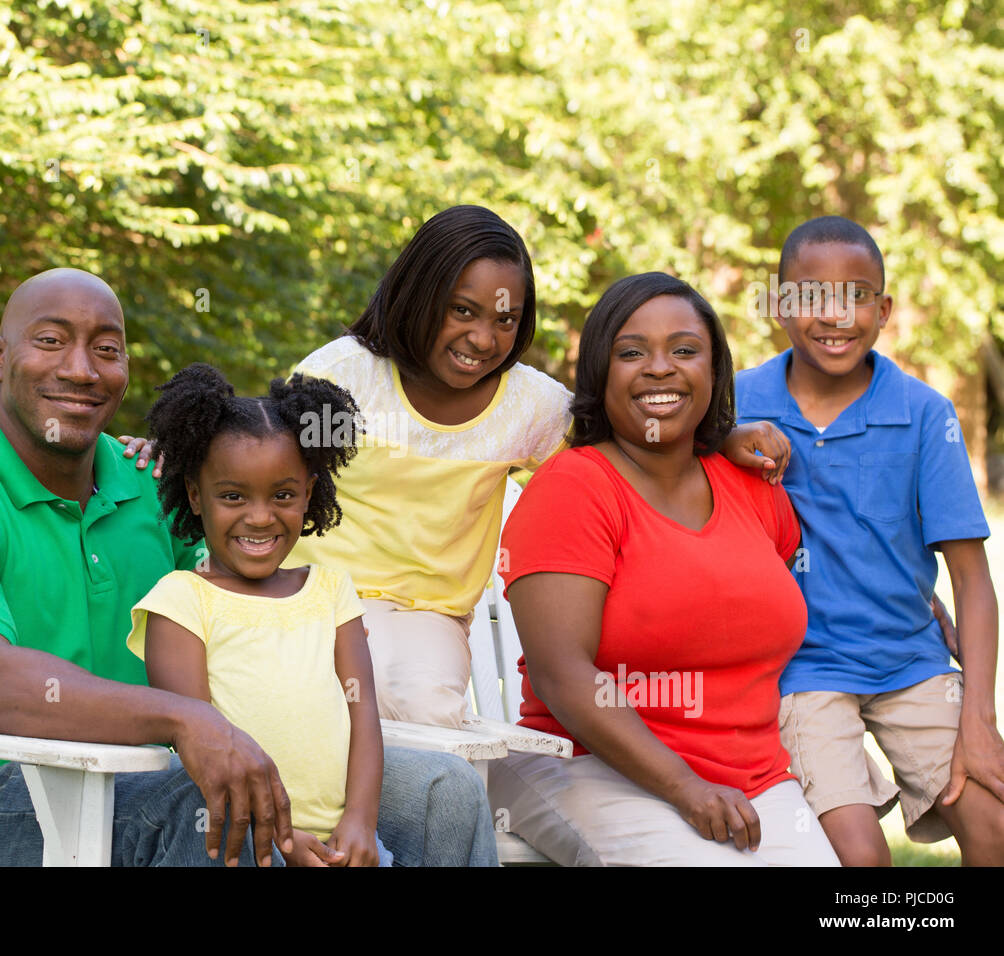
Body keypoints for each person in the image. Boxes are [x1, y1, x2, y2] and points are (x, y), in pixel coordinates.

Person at [0, 267, 498, 867]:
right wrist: (182, 719)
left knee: (446, 792)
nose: (81, 369)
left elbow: (244, 601)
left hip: (153, 770)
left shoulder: (150, 486)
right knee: (211, 809)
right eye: (51, 341)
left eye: (107, 349)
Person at [130, 206, 788, 730]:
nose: (482, 338)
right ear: (417, 297)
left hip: (427, 616)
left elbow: (629, 447)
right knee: (297, 706)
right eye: (461, 310)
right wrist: (175, 448)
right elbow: (260, 450)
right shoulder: (346, 375)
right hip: (309, 597)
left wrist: (717, 437)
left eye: (503, 319)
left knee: (424, 714)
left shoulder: (529, 407)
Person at [486, 271, 839, 866]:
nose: (659, 367)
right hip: (584, 763)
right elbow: (562, 674)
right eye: (632, 352)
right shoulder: (574, 488)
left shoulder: (751, 488)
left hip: (752, 776)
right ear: (600, 372)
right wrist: (684, 786)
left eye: (684, 350)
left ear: (713, 371)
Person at [736, 216, 1004, 866]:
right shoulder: (736, 403)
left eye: (857, 295)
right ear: (779, 305)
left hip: (913, 660)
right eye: (811, 295)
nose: (836, 315)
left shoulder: (924, 413)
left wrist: (979, 721)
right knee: (861, 862)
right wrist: (722, 437)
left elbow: (972, 580)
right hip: (803, 668)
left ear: (883, 310)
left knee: (994, 824)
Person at [129, 363, 390, 866]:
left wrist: (361, 818)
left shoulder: (330, 591)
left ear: (309, 495)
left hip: (341, 844)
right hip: (239, 840)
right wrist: (280, 844)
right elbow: (197, 746)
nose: (260, 516)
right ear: (194, 496)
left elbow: (364, 717)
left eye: (283, 495)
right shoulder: (180, 600)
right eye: (233, 496)